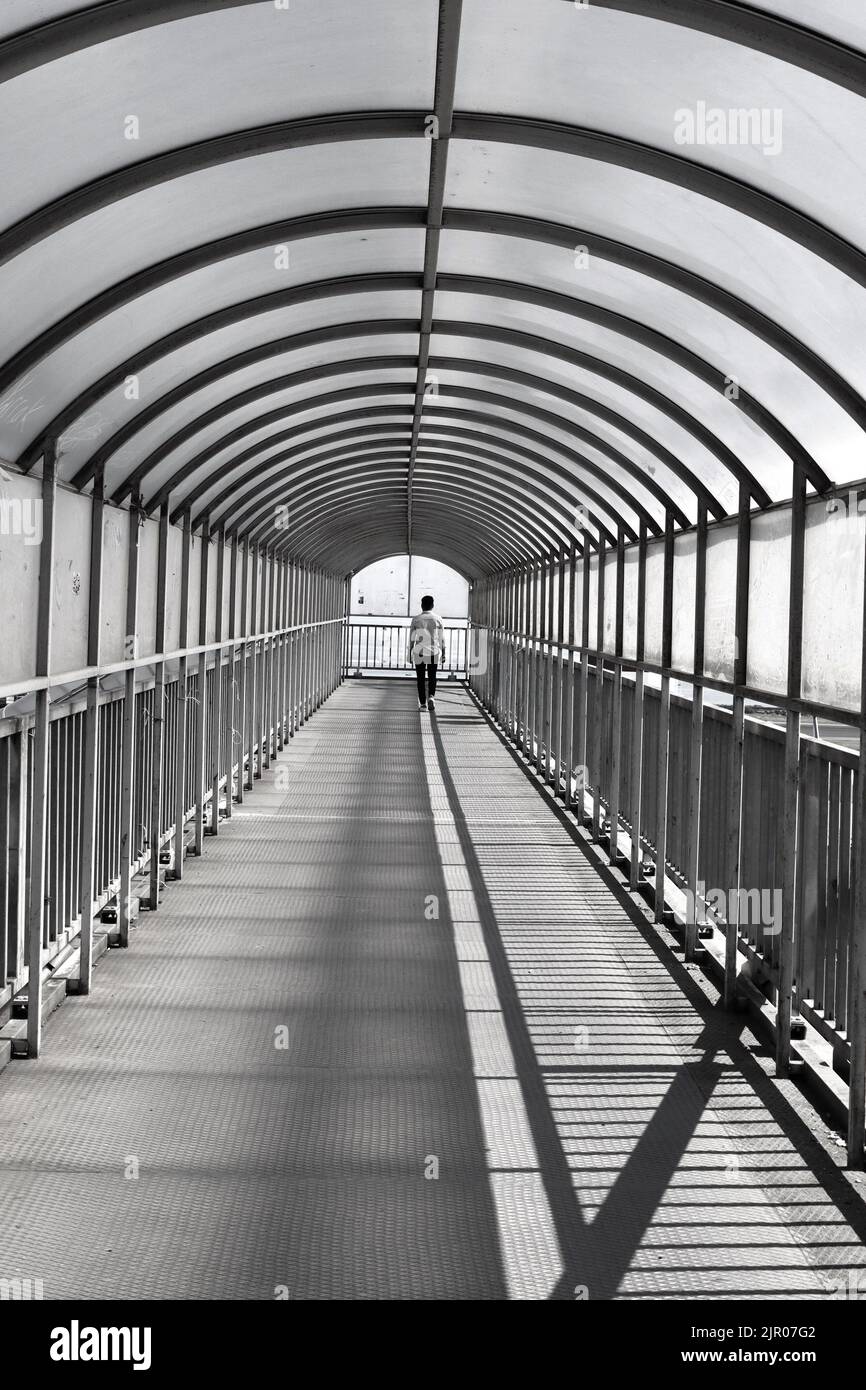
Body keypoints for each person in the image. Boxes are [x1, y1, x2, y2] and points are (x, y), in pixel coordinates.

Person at [407, 595, 446, 711]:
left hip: (419, 651)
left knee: (420, 678)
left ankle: (423, 704)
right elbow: (442, 638)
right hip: (434, 651)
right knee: (432, 675)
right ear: (432, 605)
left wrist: (409, 653)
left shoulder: (416, 619)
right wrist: (444, 652)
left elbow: (412, 639)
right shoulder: (438, 619)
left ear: (421, 605)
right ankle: (431, 697)